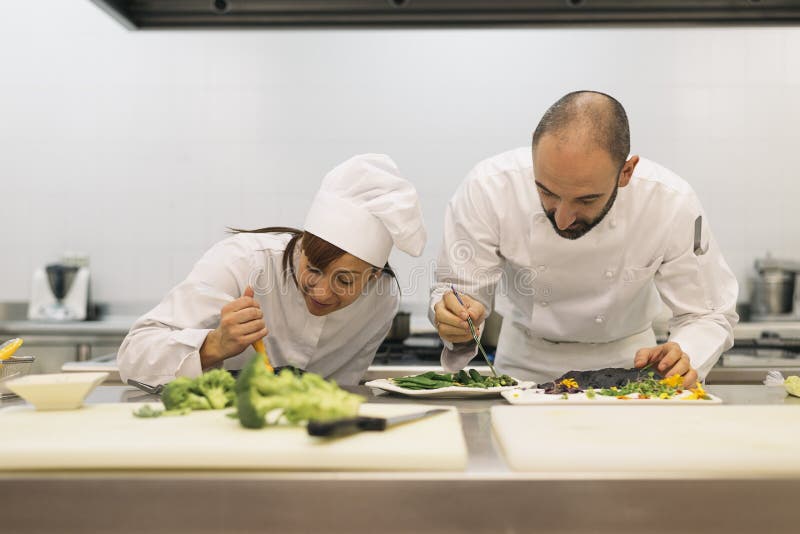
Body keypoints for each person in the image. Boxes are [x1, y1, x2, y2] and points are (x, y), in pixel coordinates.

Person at [430, 91, 738, 386]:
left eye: (586, 200)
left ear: (626, 173)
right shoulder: (489, 188)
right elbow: (458, 293)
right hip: (522, 371)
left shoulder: (669, 202)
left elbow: (707, 312)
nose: (563, 219)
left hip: (631, 369)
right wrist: (455, 318)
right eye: (546, 191)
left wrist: (685, 354)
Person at [118, 154, 426, 386]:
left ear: (372, 276)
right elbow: (134, 354)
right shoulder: (242, 262)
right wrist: (214, 344)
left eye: (344, 280)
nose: (321, 291)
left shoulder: (381, 300)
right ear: (302, 245)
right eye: (314, 268)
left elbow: (341, 391)